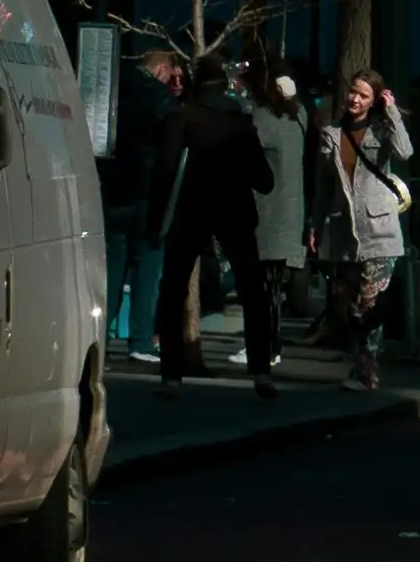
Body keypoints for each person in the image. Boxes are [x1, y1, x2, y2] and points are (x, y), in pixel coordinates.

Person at [152, 48, 268, 386]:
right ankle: (261, 369)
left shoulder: (183, 118)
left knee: (173, 289)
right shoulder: (241, 123)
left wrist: (155, 222)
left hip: (192, 209)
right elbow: (265, 181)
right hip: (235, 211)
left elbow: (165, 173)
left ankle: (171, 373)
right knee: (252, 290)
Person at [324, 73, 416, 389]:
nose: (355, 99)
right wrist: (314, 223)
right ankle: (362, 365)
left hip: (380, 231)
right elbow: (324, 185)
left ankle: (366, 372)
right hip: (345, 231)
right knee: (349, 306)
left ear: (373, 100)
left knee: (370, 304)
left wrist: (390, 110)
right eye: (353, 92)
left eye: (364, 95)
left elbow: (405, 152)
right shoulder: (331, 133)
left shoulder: (381, 129)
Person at [102, 42, 184, 356]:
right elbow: (171, 149)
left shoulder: (115, 92)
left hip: (114, 192)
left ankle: (103, 336)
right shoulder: (161, 100)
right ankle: (139, 340)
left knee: (112, 270)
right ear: (162, 69)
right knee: (147, 273)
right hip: (148, 195)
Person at [242, 64, 313, 397]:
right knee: (274, 286)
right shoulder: (299, 117)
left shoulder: (261, 119)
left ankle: (264, 346)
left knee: (261, 288)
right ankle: (273, 344)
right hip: (291, 209)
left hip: (266, 211)